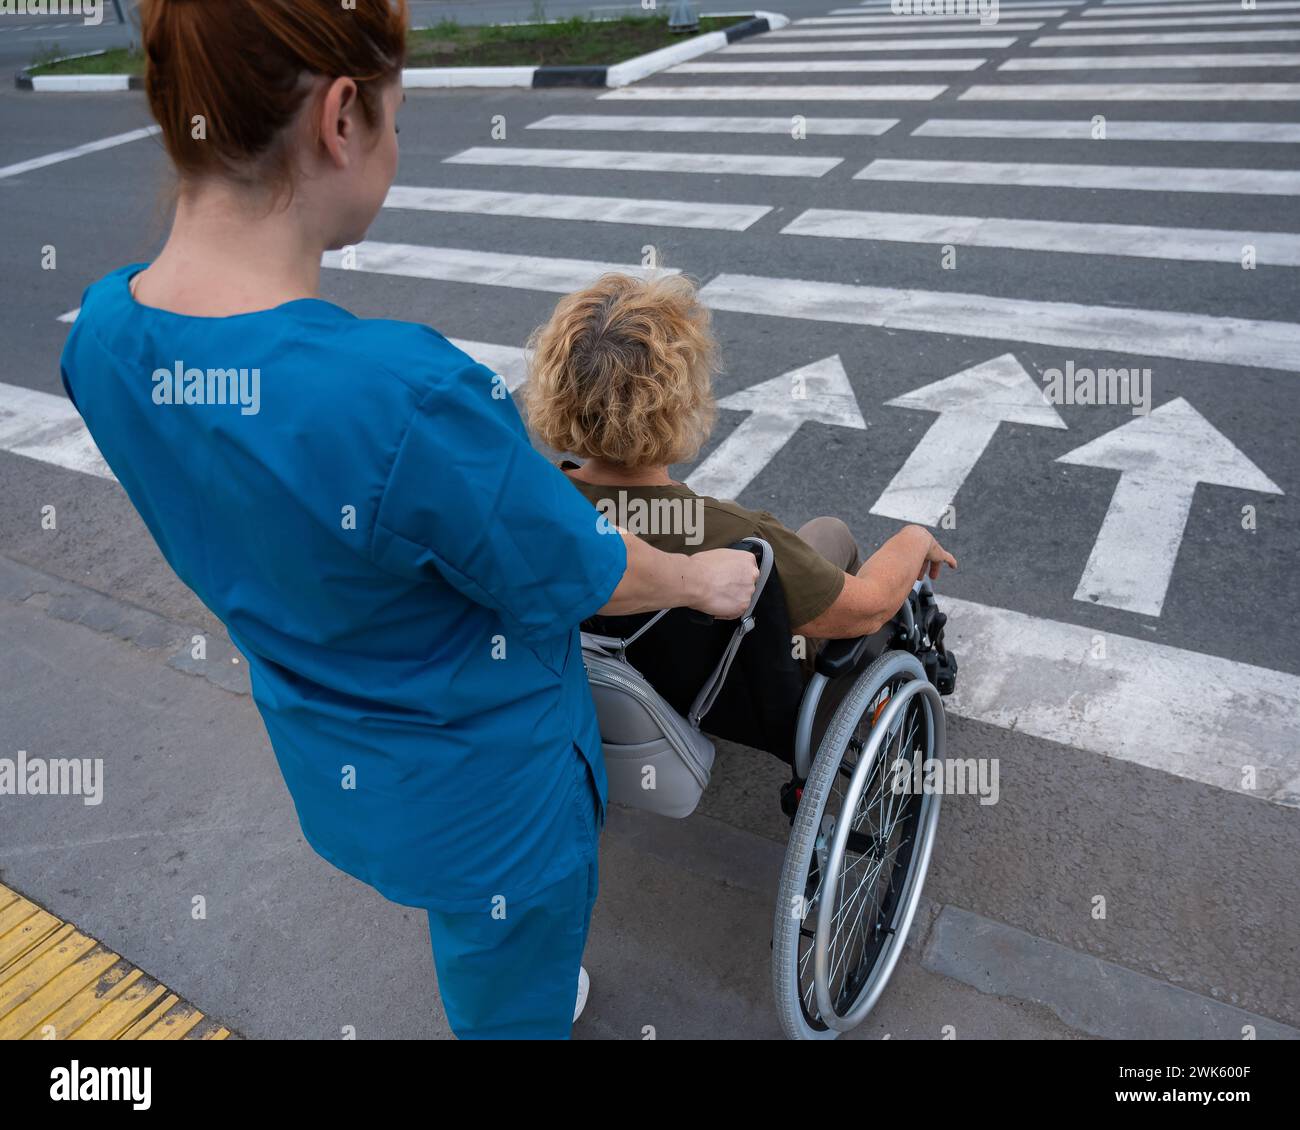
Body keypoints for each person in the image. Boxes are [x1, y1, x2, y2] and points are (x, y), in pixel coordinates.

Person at [58, 0, 757, 1040]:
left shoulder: (103, 335)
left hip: (332, 757)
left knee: (466, 918)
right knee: (504, 973)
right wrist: (705, 579)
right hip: (491, 801)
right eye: (393, 108)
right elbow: (578, 570)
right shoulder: (401, 397)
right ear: (341, 118)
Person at [524, 272, 958, 657]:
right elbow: (869, 608)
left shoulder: (537, 504)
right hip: (742, 698)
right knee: (831, 532)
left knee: (825, 535)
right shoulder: (737, 535)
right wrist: (912, 539)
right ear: (681, 402)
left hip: (627, 690)